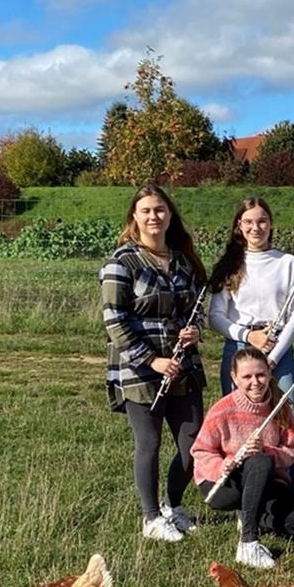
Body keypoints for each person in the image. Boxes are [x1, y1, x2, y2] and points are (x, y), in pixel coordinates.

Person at [100, 184, 206, 542]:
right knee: (149, 443)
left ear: (170, 214)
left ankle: (172, 505)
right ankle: (150, 518)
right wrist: (152, 360)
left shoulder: (182, 259)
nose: (153, 216)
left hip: (183, 364)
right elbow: (114, 319)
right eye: (145, 210)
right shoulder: (121, 262)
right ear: (134, 216)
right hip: (139, 367)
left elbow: (197, 308)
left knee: (194, 444)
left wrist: (196, 331)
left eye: (159, 209)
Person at [208, 197, 294, 505]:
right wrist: (248, 336)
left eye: (262, 221)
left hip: (279, 351)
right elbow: (215, 317)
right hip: (241, 349)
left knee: (289, 423)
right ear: (239, 226)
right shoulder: (229, 264)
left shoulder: (287, 262)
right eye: (249, 221)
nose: (256, 227)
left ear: (271, 224)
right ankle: (245, 503)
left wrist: (274, 355)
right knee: (240, 429)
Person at [191, 348, 294, 569]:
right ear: (234, 377)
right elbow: (201, 451)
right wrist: (224, 464)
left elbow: (293, 449)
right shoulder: (222, 410)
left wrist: (266, 450)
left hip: (267, 482)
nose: (256, 382)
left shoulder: (281, 408)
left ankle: (255, 515)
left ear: (269, 372)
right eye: (247, 377)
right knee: (259, 462)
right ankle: (248, 543)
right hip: (223, 484)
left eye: (260, 375)